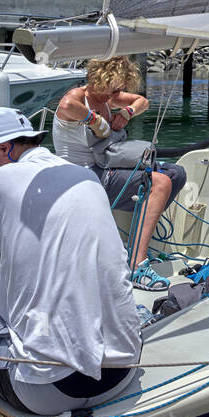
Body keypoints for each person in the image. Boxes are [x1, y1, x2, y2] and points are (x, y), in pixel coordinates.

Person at [0, 107, 141, 416]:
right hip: (122, 371)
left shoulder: (0, 182)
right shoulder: (85, 176)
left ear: (4, 148)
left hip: (50, 390)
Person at [53, 56, 186, 288]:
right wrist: (92, 118)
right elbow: (65, 106)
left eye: (117, 90)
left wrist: (127, 112)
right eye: (109, 89)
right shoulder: (78, 97)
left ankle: (134, 247)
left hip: (104, 166)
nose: (111, 96)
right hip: (82, 177)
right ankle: (136, 266)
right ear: (97, 80)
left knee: (176, 174)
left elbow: (142, 101)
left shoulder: (109, 97)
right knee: (160, 184)